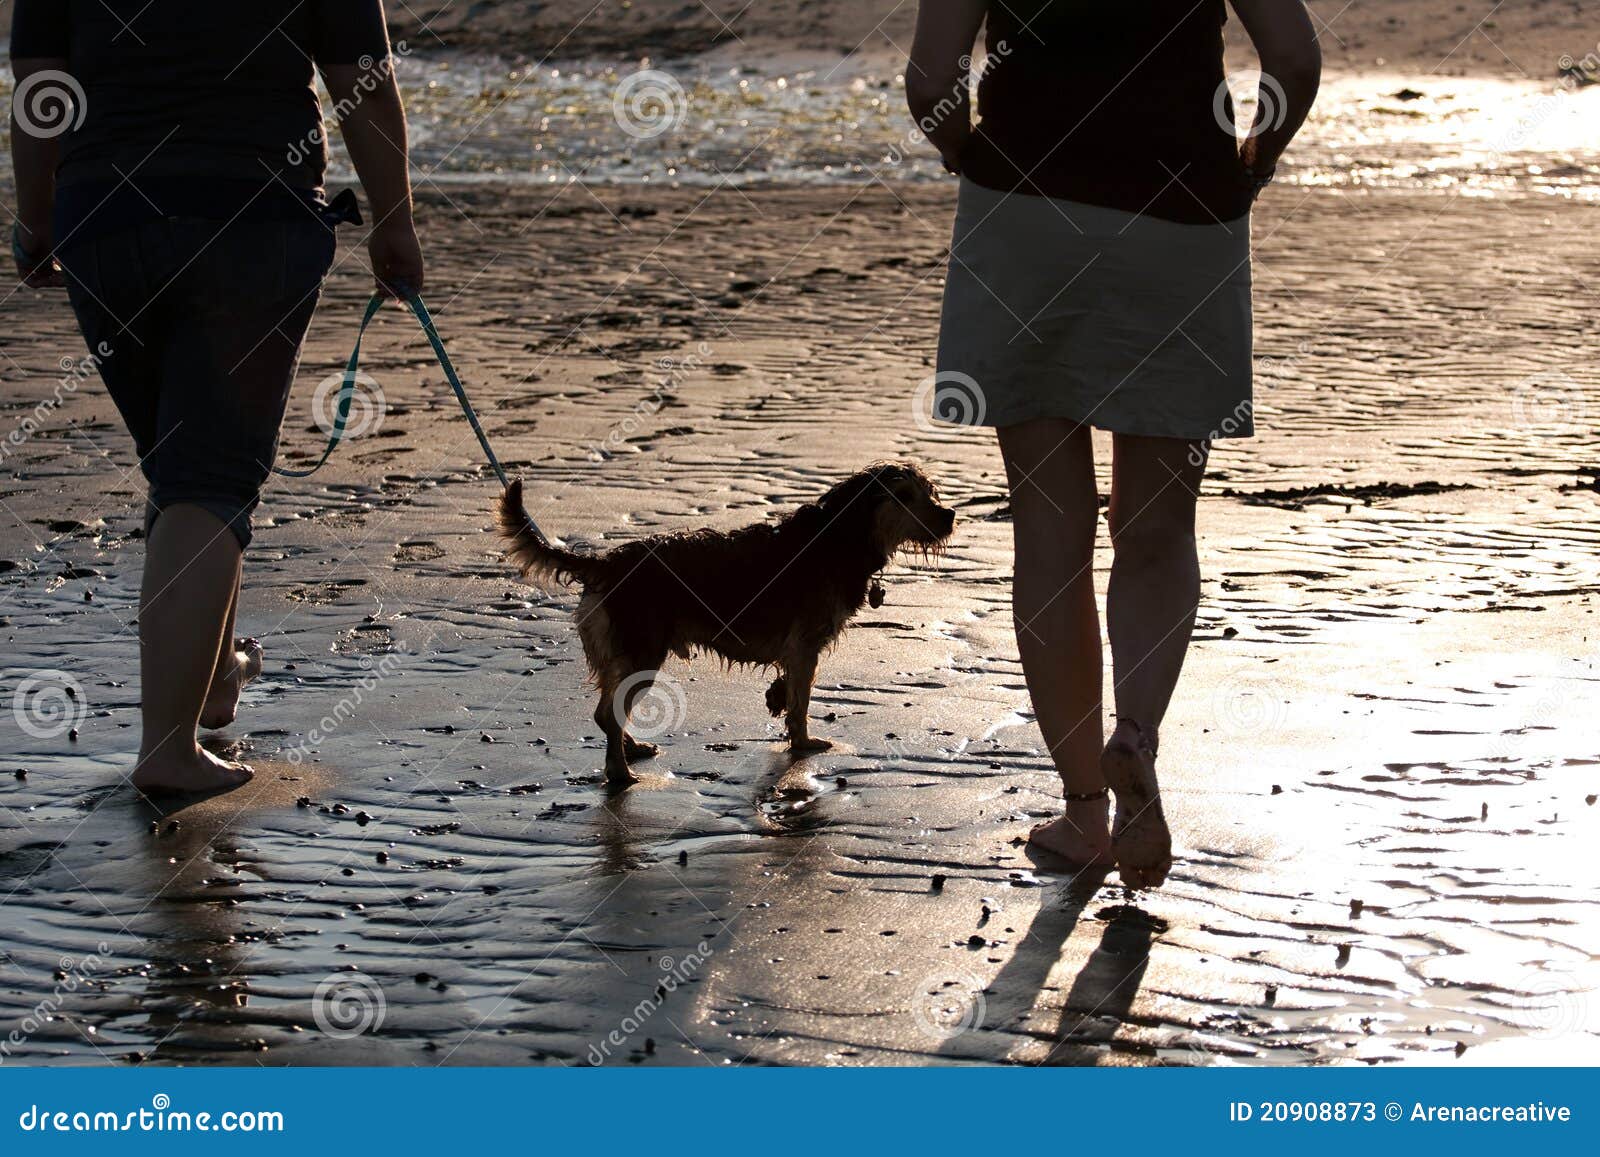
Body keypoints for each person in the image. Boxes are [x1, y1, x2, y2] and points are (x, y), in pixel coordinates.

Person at [909, 0, 1319, 887]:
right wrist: (1255, 158)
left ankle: (1086, 814)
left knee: (1050, 534)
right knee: (1159, 528)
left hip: (1023, 216)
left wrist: (972, 159)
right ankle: (1133, 737)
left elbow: (931, 84)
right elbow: (1293, 57)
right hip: (1184, 218)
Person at [9, 0, 425, 795]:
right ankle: (167, 748)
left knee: (184, 463)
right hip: (248, 213)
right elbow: (362, 84)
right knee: (205, 475)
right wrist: (393, 220)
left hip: (106, 216)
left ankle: (216, 676)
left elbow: (39, 88)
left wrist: (36, 217)